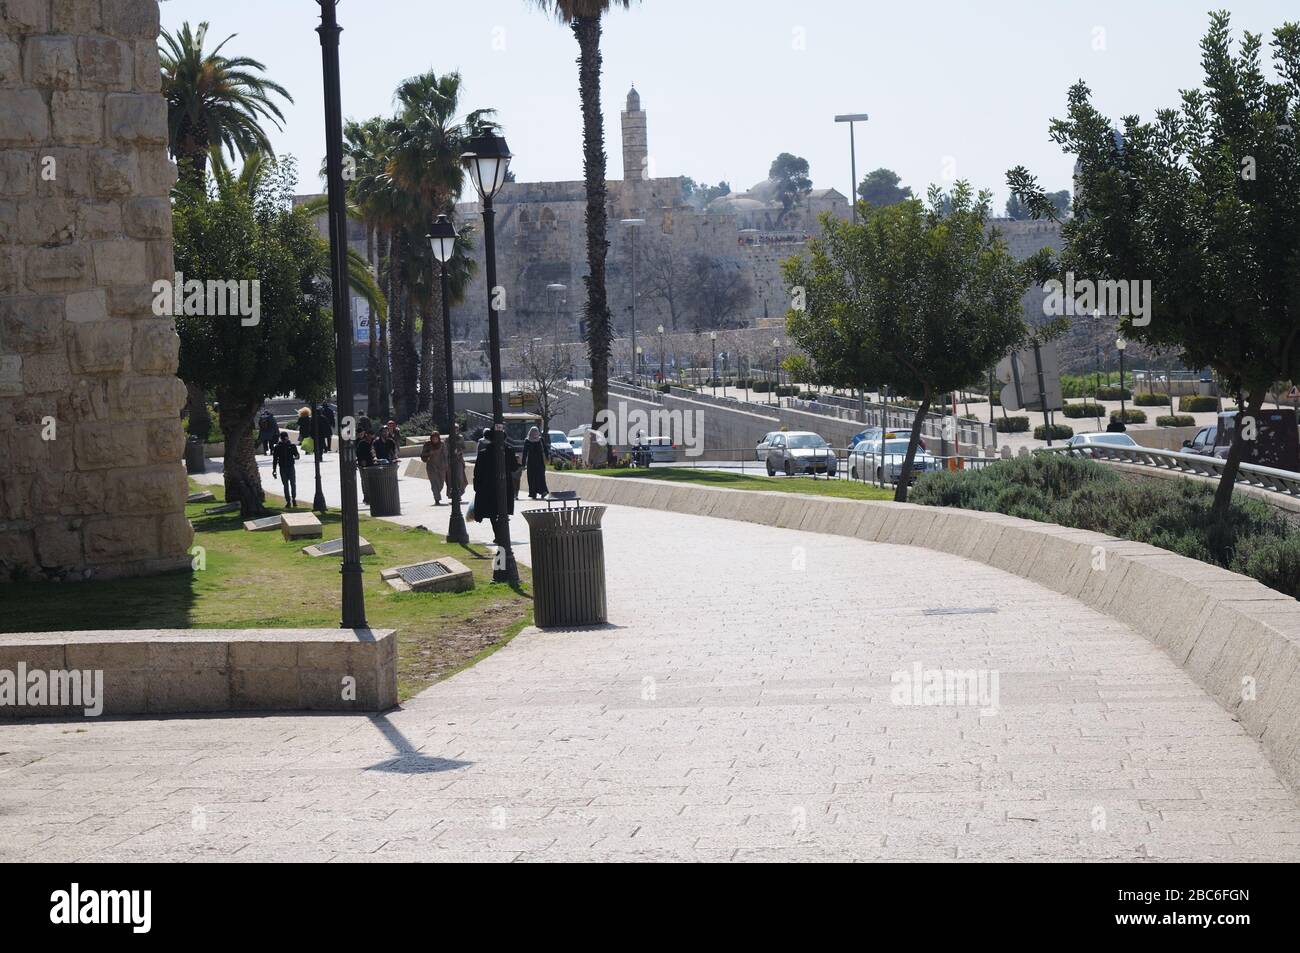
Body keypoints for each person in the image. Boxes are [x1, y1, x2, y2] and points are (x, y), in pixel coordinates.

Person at [471, 425, 518, 523]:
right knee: (500, 511)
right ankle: (501, 535)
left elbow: (477, 472)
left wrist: (477, 486)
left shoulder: (484, 453)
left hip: (489, 487)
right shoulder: (508, 451)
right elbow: (514, 468)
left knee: (493, 513)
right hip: (502, 486)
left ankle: (499, 535)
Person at [271, 432, 300, 508]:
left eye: (286, 438)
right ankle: (288, 501)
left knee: (293, 484)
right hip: (282, 468)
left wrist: (296, 456)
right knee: (285, 485)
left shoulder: (292, 446)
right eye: (283, 438)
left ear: (287, 437)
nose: (285, 440)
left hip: (291, 467)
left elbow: (297, 456)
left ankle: (293, 499)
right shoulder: (277, 447)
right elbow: (275, 459)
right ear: (281, 438)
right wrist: (274, 470)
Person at [422, 431, 449, 505]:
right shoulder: (427, 444)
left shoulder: (442, 444)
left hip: (441, 466)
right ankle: (437, 499)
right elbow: (422, 454)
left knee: (440, 483)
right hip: (431, 467)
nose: (434, 439)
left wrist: (446, 465)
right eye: (433, 438)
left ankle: (437, 493)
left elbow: (445, 455)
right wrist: (429, 453)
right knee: (434, 483)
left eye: (436, 438)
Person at [523, 426, 549, 499]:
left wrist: (547, 458)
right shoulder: (527, 441)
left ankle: (543, 492)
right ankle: (533, 493)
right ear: (530, 432)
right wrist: (523, 463)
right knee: (532, 478)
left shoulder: (540, 440)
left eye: (536, 432)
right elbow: (525, 453)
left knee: (541, 477)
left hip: (540, 463)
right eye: (533, 432)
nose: (535, 433)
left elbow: (545, 450)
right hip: (531, 463)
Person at [356, 428, 375, 504]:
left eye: (372, 436)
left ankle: (372, 496)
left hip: (372, 464)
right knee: (365, 481)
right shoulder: (361, 443)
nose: (370, 437)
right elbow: (358, 453)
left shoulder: (374, 442)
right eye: (369, 436)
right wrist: (361, 461)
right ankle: (366, 497)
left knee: (372, 481)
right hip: (363, 465)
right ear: (366, 435)